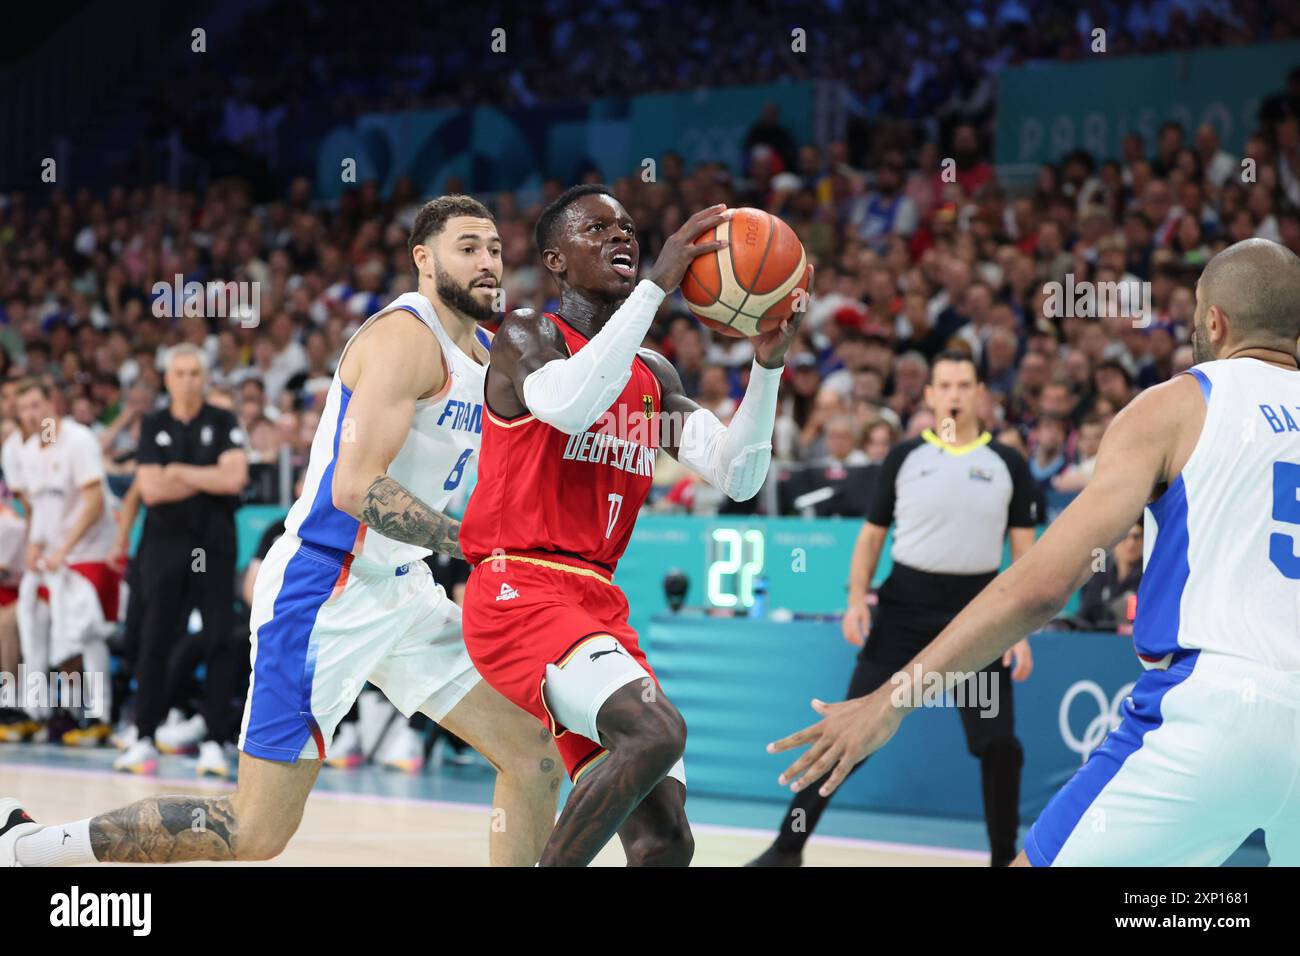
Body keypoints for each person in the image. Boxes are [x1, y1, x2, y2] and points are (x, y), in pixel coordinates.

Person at [2, 195, 560, 868]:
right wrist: (472, 543)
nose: (488, 262)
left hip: (404, 589)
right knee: (254, 830)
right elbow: (354, 489)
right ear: (423, 258)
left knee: (534, 755)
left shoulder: (490, 352)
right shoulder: (402, 340)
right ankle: (33, 848)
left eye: (496, 248)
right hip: (324, 588)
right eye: (468, 247)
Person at [769, 239, 1300, 866]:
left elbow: (1041, 585)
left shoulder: (1177, 404)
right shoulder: (911, 459)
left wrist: (892, 700)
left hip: (1212, 707)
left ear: (1214, 321)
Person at [460, 186, 805, 866]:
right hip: (517, 591)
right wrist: (654, 290)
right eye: (597, 228)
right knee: (656, 731)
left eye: (627, 228)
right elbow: (567, 405)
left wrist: (767, 365)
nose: (622, 236)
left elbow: (739, 477)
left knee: (665, 841)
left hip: (595, 603)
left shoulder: (652, 374)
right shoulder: (527, 335)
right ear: (556, 260)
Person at [750, 352, 1037, 867]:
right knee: (849, 732)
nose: (953, 394)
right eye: (944, 384)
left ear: (978, 394)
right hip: (904, 610)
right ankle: (785, 849)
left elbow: (1025, 557)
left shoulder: (1009, 465)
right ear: (929, 395)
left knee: (1000, 746)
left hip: (979, 616)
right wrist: (856, 599)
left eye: (963, 384)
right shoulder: (904, 458)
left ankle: (1002, 860)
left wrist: (1020, 629)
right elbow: (871, 538)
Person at [111, 344, 249, 777]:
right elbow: (150, 490)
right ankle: (144, 736)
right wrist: (204, 477)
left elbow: (234, 478)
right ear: (167, 379)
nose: (188, 379)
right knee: (154, 641)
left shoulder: (223, 420)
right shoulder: (153, 424)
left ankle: (212, 741)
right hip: (164, 547)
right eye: (180, 373)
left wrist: (179, 471)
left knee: (218, 639)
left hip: (209, 547)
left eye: (195, 372)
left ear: (204, 377)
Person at [10, 380, 119, 745]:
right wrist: (34, 545)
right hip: (53, 556)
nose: (32, 413)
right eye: (24, 407)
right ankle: (42, 710)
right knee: (36, 622)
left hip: (90, 552)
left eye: (37, 403)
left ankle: (99, 714)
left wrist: (64, 549)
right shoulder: (26, 451)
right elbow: (37, 507)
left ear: (52, 402)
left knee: (85, 632)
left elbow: (94, 502)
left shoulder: (79, 440)